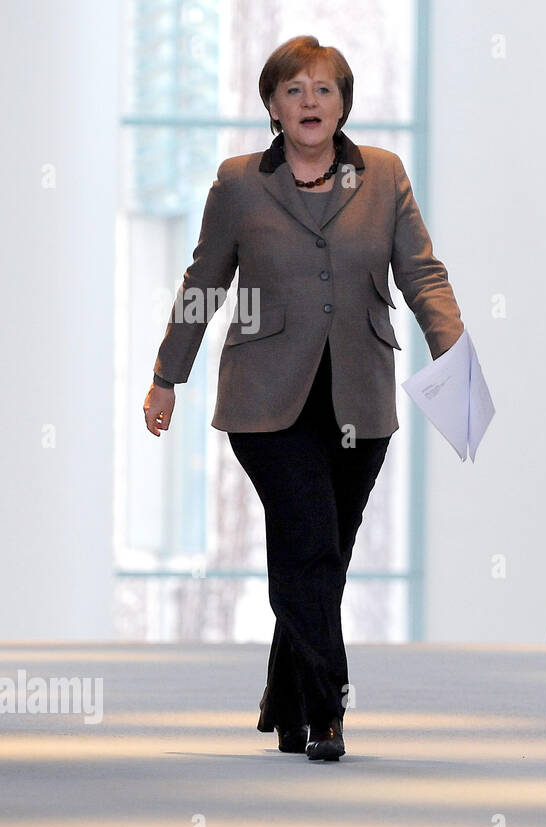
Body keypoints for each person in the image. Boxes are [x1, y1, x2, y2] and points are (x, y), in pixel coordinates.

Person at [142, 35, 466, 761]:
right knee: (310, 541)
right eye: (294, 90)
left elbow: (422, 273)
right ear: (272, 107)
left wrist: (454, 351)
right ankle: (327, 710)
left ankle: (285, 697)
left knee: (325, 552)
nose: (309, 101)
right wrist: (168, 376)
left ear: (344, 102)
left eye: (323, 89)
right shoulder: (238, 184)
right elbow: (203, 287)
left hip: (360, 398)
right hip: (265, 402)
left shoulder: (383, 176)